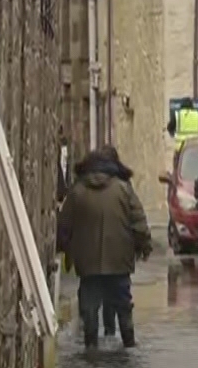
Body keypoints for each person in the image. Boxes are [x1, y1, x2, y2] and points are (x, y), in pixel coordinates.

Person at [58, 146, 152, 349]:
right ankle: (128, 343)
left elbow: (64, 226)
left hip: (88, 263)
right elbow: (139, 222)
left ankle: (91, 347)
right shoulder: (123, 189)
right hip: (119, 262)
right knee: (123, 305)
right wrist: (144, 246)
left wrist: (66, 251)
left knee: (89, 307)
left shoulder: (77, 191)